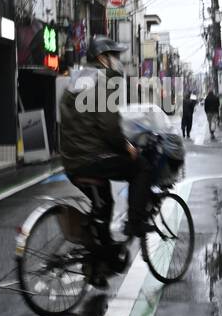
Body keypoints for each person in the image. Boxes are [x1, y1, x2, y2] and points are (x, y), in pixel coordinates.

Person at [59, 37, 153, 266]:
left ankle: (97, 264)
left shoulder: (76, 79)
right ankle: (135, 222)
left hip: (71, 159)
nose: (118, 61)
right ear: (103, 58)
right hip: (90, 158)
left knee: (103, 205)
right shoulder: (104, 80)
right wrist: (127, 146)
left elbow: (87, 122)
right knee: (140, 167)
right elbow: (110, 127)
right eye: (115, 56)